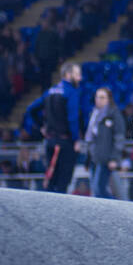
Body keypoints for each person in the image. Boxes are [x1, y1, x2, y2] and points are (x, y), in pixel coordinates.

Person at [42, 62, 84, 193]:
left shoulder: (50, 91)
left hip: (50, 141)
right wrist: (76, 139)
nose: (80, 78)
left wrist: (42, 126)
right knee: (63, 182)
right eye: (77, 74)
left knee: (51, 180)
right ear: (67, 75)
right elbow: (73, 118)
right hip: (65, 143)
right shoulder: (71, 92)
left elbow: (32, 109)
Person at [84, 86, 125, 200]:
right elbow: (90, 139)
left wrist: (114, 158)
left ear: (109, 99)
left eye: (102, 97)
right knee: (95, 190)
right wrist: (87, 160)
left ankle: (115, 209)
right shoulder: (93, 114)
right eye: (97, 97)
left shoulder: (114, 114)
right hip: (94, 157)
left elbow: (119, 138)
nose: (99, 100)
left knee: (99, 188)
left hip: (106, 158)